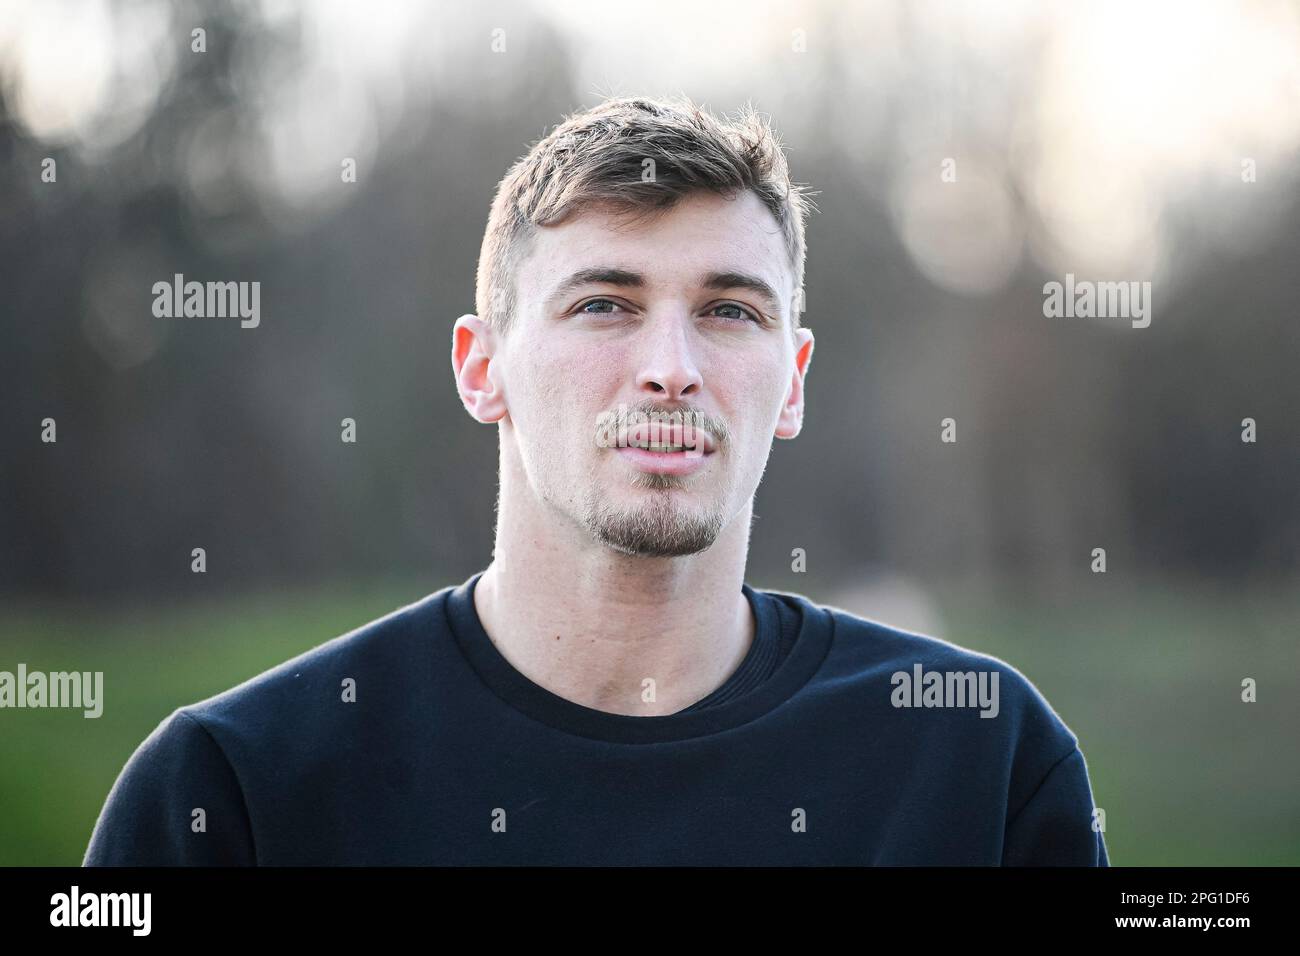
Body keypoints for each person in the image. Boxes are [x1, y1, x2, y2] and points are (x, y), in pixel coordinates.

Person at [84, 95, 1107, 866]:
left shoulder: (976, 763)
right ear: (480, 367)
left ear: (791, 383)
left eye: (730, 309)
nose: (671, 363)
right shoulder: (233, 792)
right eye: (604, 304)